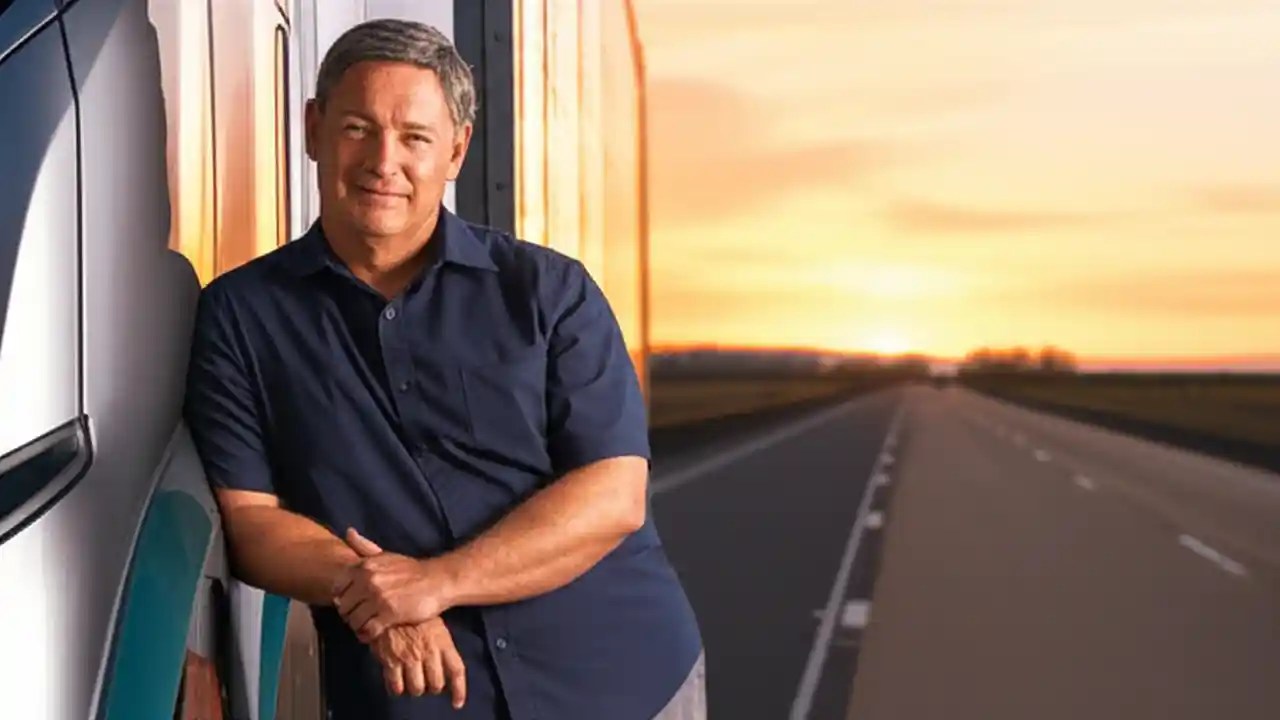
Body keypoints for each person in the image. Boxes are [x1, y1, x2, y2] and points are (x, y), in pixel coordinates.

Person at [183, 17, 704, 720]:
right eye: (358, 128)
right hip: (419, 698)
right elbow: (252, 522)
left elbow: (614, 494)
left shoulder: (550, 293)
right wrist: (377, 594)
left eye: (415, 138)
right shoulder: (239, 317)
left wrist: (435, 584)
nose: (382, 162)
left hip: (621, 683)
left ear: (456, 151)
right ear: (313, 129)